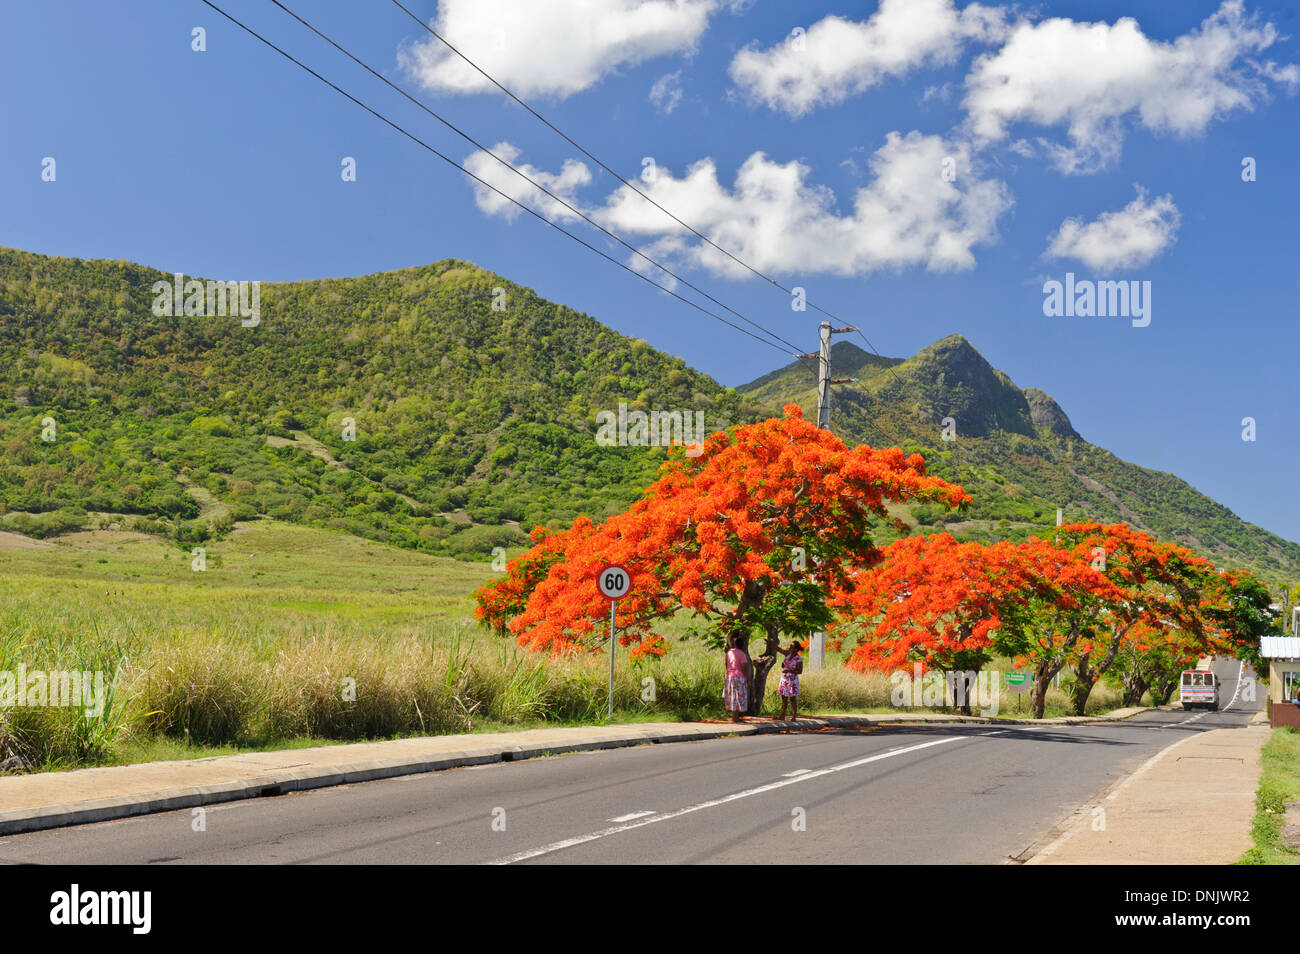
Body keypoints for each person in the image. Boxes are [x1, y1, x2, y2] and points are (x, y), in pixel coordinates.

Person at [723, 636, 750, 723]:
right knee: (737, 697)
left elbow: (726, 664)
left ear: (734, 644)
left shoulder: (729, 652)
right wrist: (747, 679)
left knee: (732, 696)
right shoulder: (742, 654)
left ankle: (735, 717)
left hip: (729, 676)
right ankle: (735, 718)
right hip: (738, 677)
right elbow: (744, 668)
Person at [777, 640, 804, 721]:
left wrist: (788, 671)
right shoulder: (788, 654)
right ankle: (782, 715)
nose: (789, 648)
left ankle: (794, 716)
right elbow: (779, 649)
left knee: (792, 699)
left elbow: (799, 671)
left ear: (796, 649)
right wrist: (770, 644)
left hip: (792, 681)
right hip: (784, 679)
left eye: (791, 647)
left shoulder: (798, 659)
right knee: (784, 698)